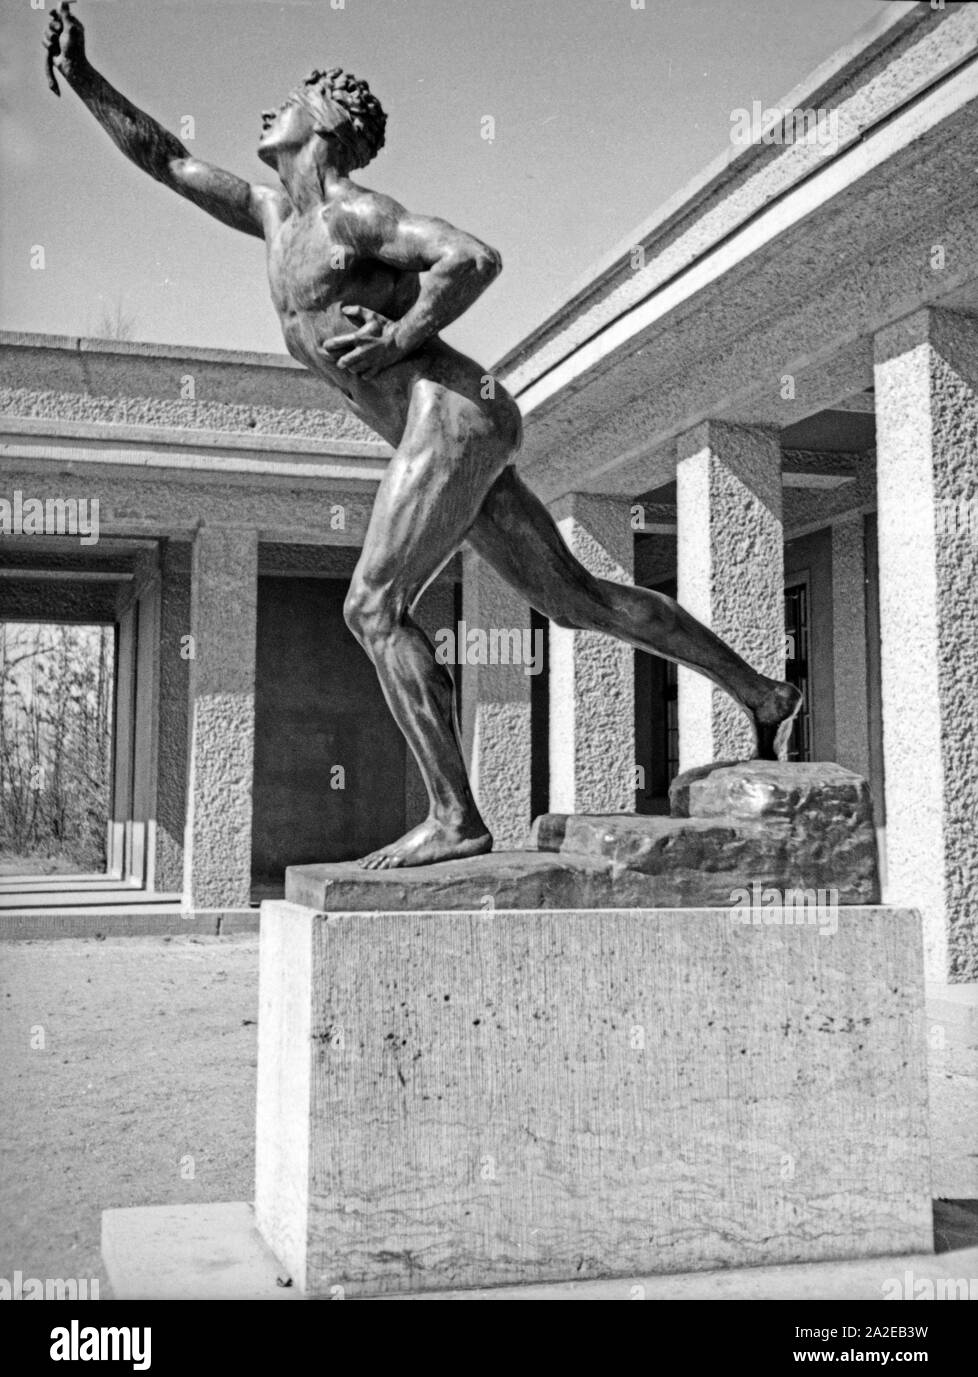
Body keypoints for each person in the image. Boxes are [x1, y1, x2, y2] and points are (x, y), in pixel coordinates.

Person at [45, 3, 801, 869]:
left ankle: (455, 817)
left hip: (452, 413)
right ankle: (764, 692)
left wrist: (402, 340)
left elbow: (472, 257)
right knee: (573, 600)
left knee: (371, 605)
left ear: (323, 126)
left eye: (285, 102)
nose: (265, 113)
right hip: (448, 425)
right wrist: (86, 78)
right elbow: (167, 158)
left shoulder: (352, 216)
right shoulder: (271, 217)